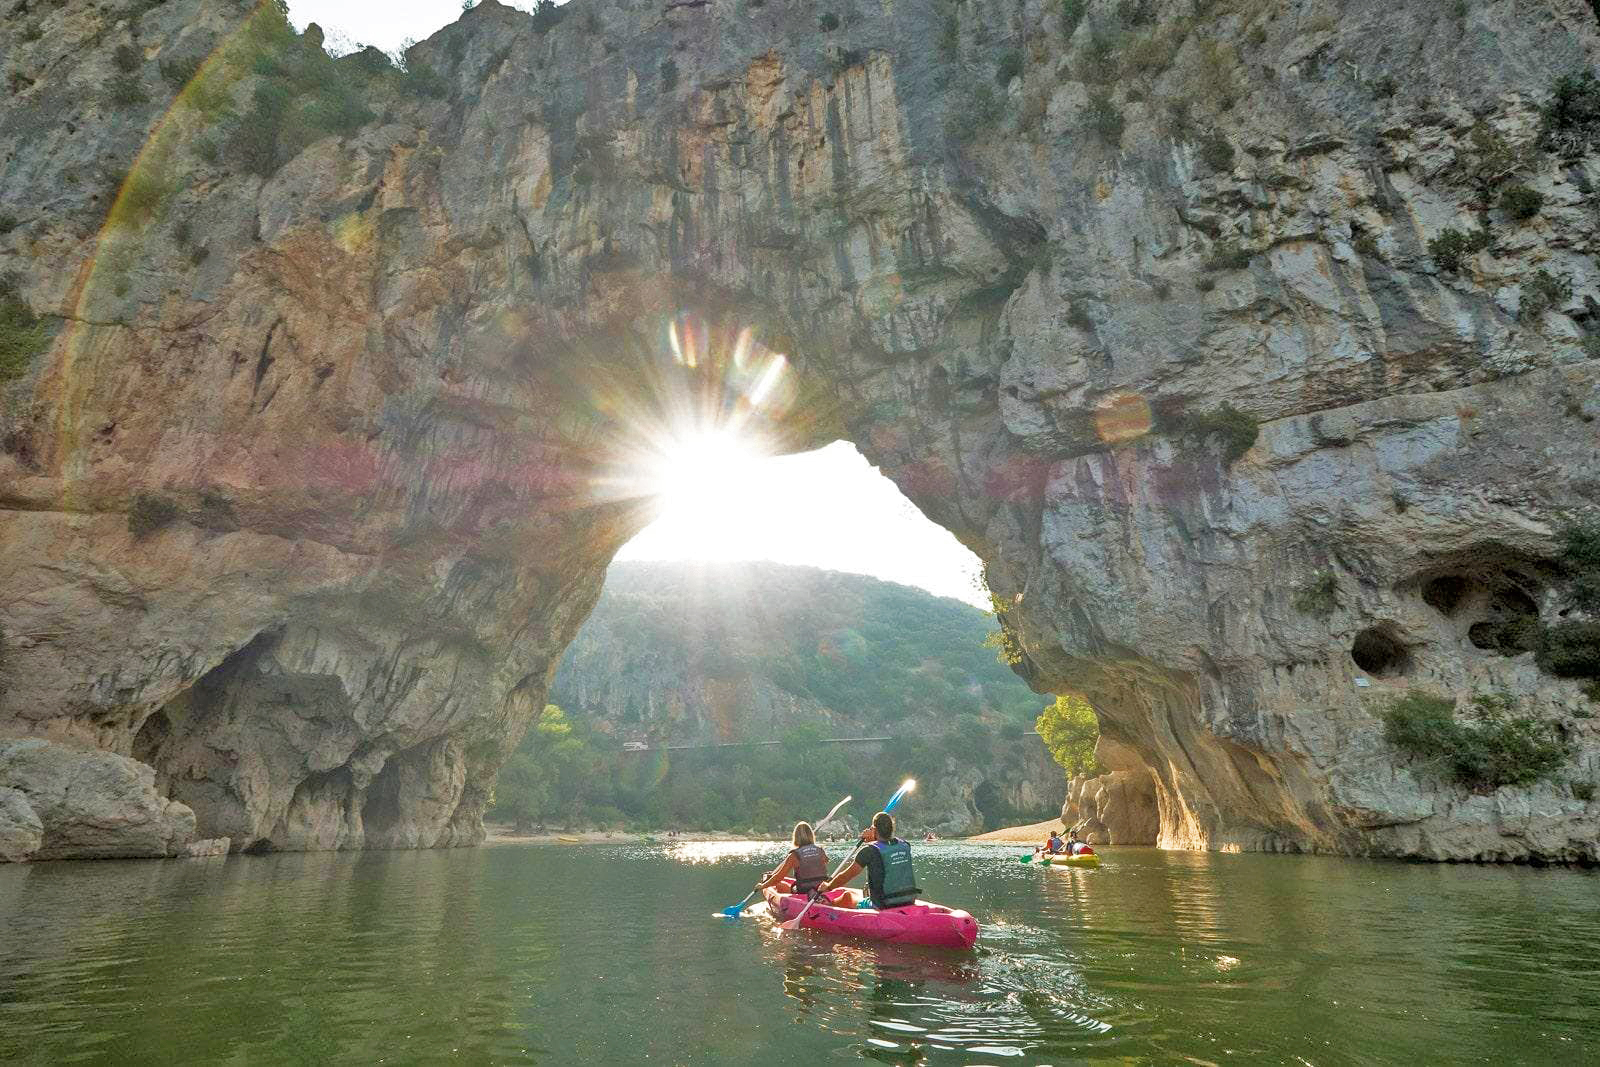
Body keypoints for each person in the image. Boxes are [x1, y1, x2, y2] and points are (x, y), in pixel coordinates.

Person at [817, 810, 920, 909]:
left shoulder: (868, 851)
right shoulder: (905, 845)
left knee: (847, 896)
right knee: (855, 894)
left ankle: (827, 909)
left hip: (882, 904)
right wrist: (873, 839)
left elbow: (847, 875)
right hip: (908, 901)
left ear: (874, 829)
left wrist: (828, 886)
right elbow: (884, 849)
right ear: (892, 828)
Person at [754, 821, 830, 897]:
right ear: (811, 835)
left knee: (778, 885)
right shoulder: (820, 850)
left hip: (804, 891)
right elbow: (826, 861)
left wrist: (762, 886)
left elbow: (778, 878)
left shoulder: (794, 855)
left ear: (796, 837)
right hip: (822, 889)